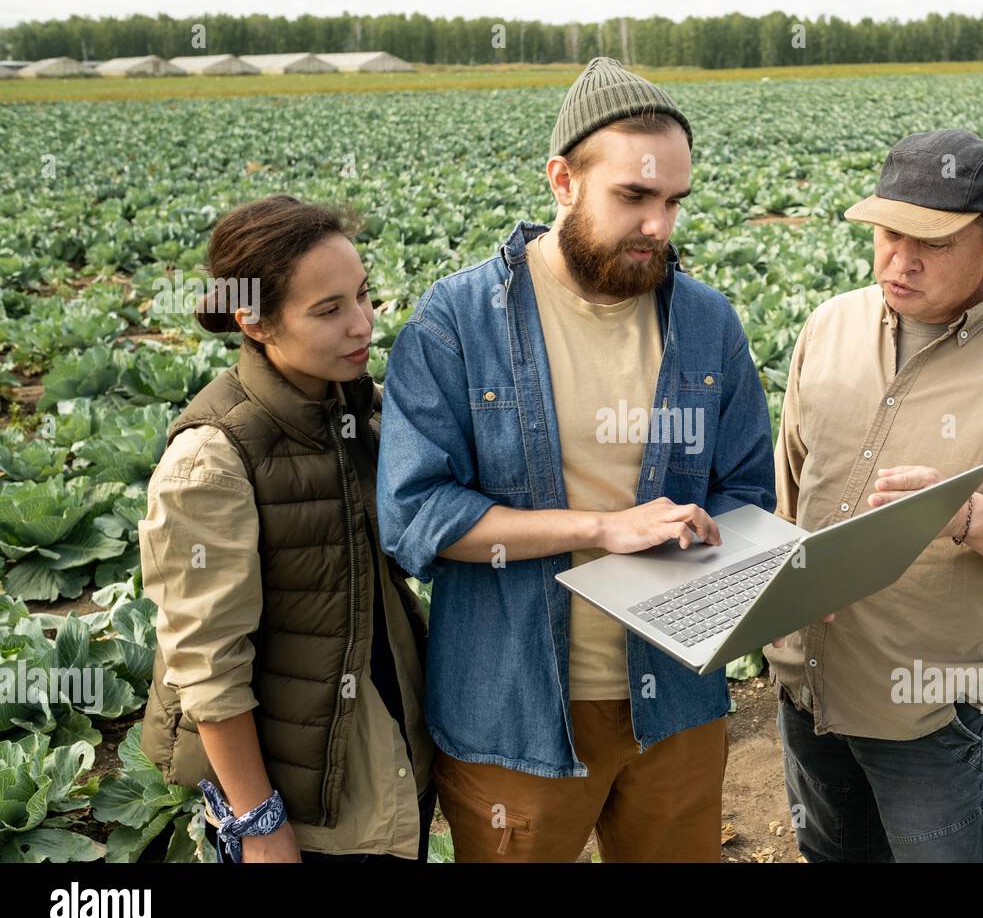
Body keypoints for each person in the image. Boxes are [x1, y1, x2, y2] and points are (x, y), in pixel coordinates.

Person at [377, 57, 775, 862]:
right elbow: (416, 514)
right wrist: (602, 527)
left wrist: (778, 570)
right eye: (634, 197)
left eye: (673, 202)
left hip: (675, 705)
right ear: (562, 180)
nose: (659, 225)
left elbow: (745, 491)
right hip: (517, 715)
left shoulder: (705, 323)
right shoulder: (458, 322)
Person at [764, 129, 983, 862]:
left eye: (934, 242)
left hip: (925, 713)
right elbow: (789, 487)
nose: (901, 259)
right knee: (833, 855)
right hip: (805, 684)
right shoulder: (829, 326)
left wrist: (968, 517)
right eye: (889, 232)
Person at [139, 194, 437, 862]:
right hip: (304, 806)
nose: (362, 324)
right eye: (329, 311)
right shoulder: (211, 461)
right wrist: (260, 823)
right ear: (254, 319)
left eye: (363, 296)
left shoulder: (355, 406)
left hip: (386, 757)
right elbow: (208, 666)